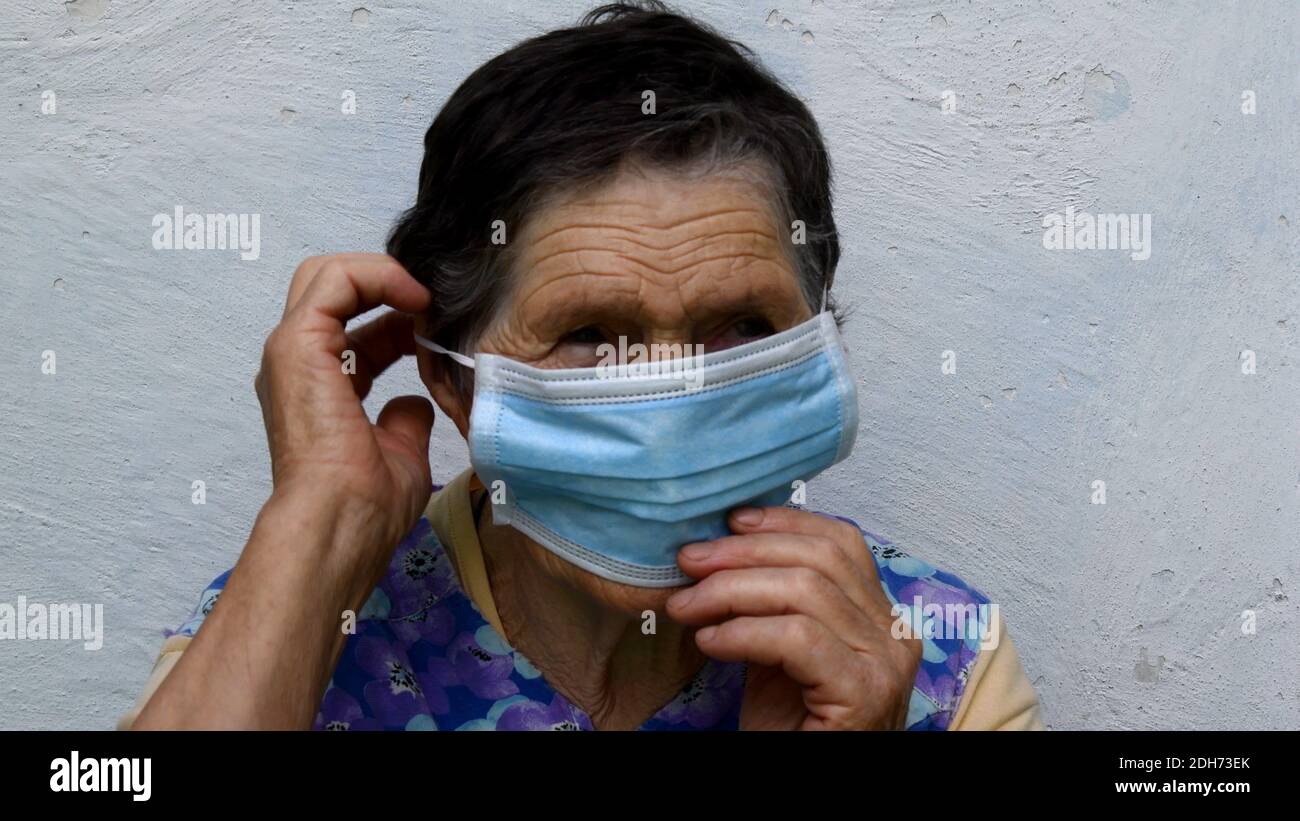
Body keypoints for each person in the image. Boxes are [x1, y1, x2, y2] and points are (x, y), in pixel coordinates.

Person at [123, 1, 1043, 731]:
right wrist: (315, 527)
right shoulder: (291, 627)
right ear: (449, 379)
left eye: (741, 327)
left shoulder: (940, 660)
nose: (671, 399)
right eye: (591, 334)